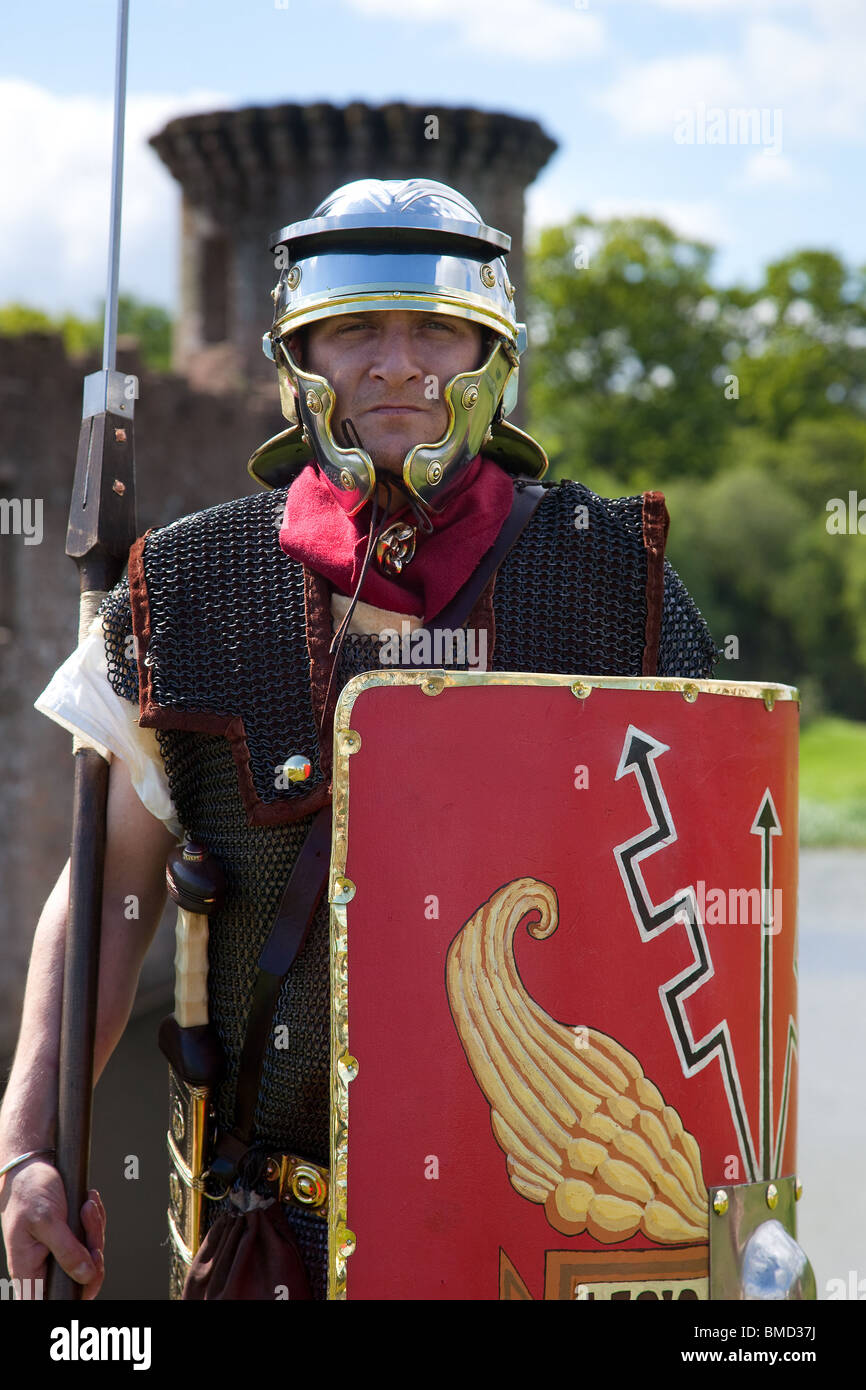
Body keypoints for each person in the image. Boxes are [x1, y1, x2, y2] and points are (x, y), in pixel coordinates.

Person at [0, 178, 718, 1301]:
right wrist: (29, 1147)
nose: (394, 363)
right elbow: (105, 900)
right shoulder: (185, 586)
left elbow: (700, 919)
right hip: (273, 1237)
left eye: (433, 326)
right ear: (300, 359)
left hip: (552, 1236)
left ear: (491, 353)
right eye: (354, 330)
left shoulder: (612, 583)